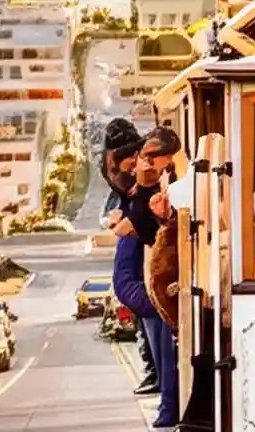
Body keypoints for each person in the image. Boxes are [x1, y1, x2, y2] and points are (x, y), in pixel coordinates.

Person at [112, 128, 182, 429]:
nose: (150, 165)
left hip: (159, 286)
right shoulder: (140, 192)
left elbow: (134, 229)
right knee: (161, 352)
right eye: (146, 157)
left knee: (167, 354)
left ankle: (170, 408)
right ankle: (168, 405)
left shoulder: (164, 194)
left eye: (158, 160)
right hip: (148, 287)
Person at [100, 117, 159, 397]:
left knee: (144, 299)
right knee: (138, 298)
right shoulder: (126, 178)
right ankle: (152, 367)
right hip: (136, 236)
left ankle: (154, 369)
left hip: (142, 237)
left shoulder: (139, 179)